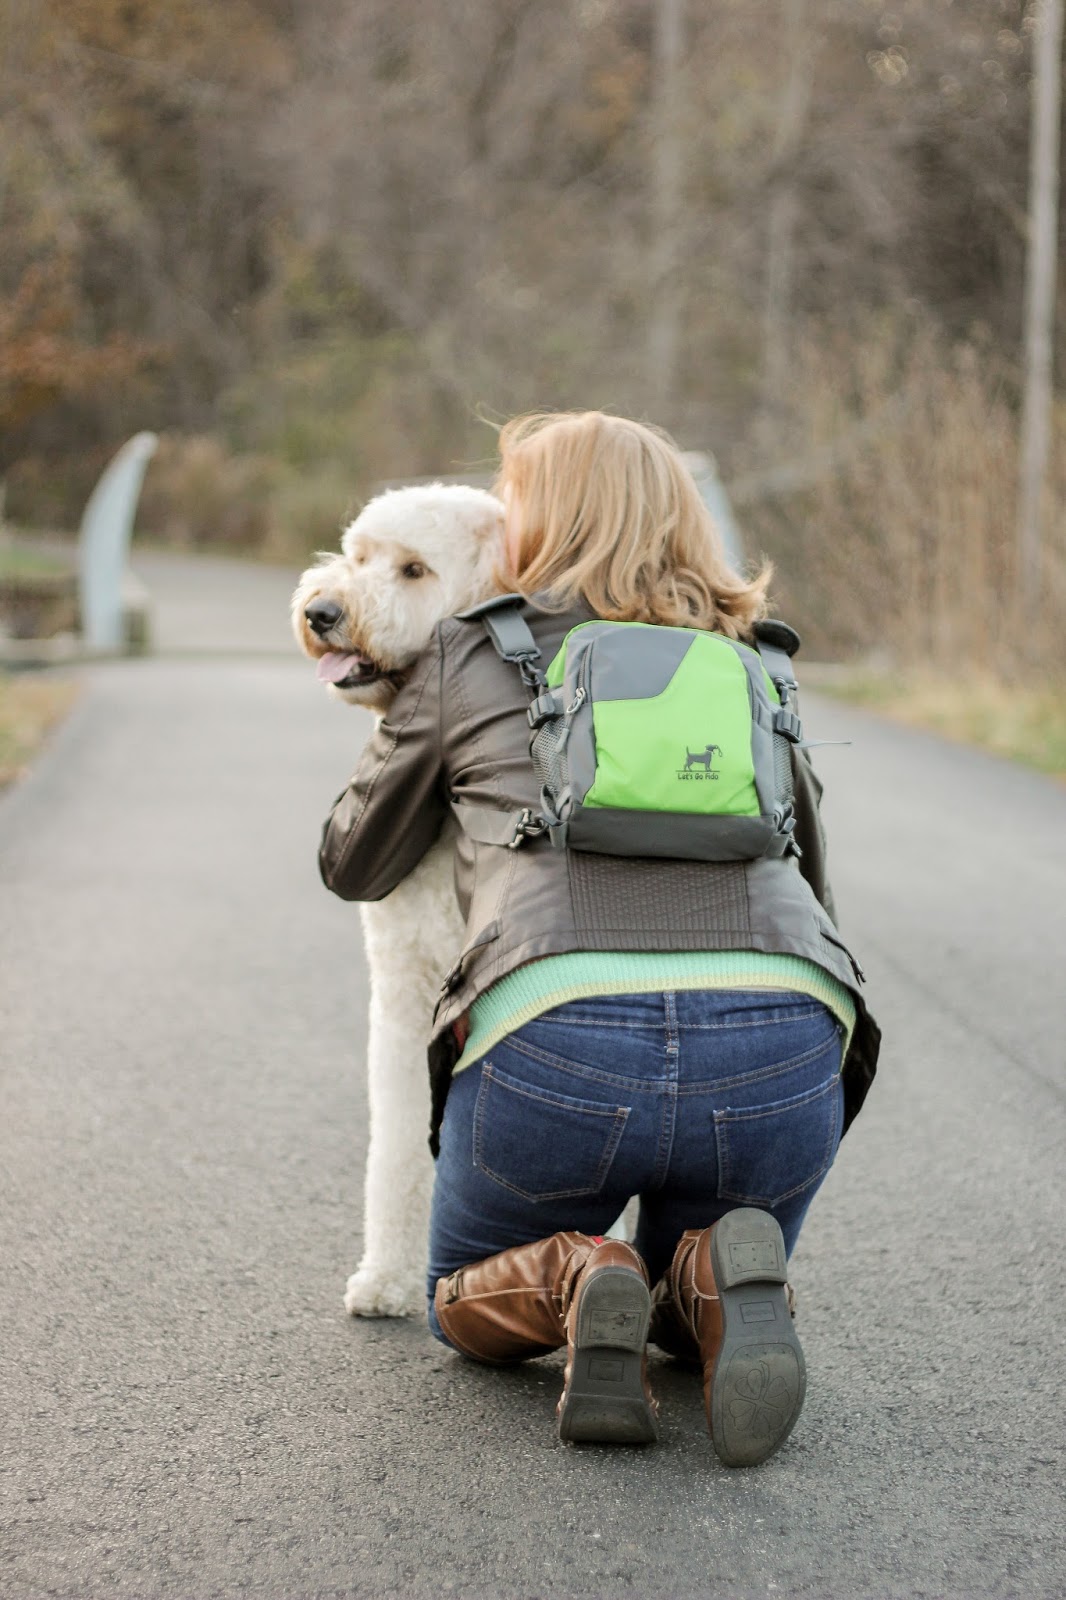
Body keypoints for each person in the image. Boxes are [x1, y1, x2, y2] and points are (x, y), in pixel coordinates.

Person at [319, 410, 880, 1465]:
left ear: (545, 523)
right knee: (683, 1299)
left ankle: (583, 1273)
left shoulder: (474, 650)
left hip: (562, 1048)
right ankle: (703, 1280)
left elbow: (352, 860)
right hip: (783, 1049)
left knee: (459, 1304)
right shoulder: (760, 662)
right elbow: (812, 873)